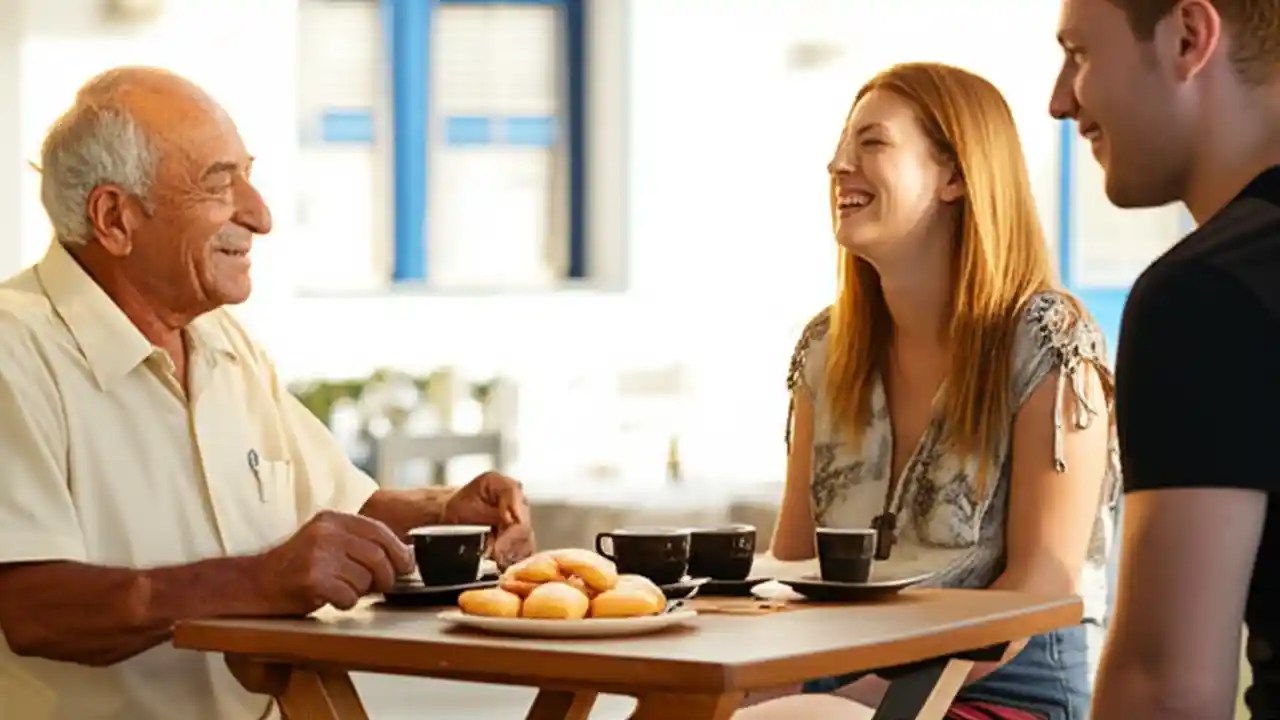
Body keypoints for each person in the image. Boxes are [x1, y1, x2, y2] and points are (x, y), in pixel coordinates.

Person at [0, 67, 536, 720]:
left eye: (247, 176)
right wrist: (256, 581)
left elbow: (349, 506)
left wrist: (448, 512)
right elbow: (30, 610)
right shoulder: (13, 349)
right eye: (219, 184)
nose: (260, 215)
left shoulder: (224, 343)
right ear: (115, 219)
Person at [736, 62, 1120, 720]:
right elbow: (794, 566)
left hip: (1003, 696)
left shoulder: (1049, 341)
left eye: (872, 143)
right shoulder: (825, 350)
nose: (837, 164)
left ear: (955, 175)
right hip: (829, 686)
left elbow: (1040, 587)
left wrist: (860, 701)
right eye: (840, 145)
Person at [1050, 1, 1280, 718]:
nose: (1060, 101)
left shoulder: (1207, 295)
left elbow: (1164, 692)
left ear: (1188, 37)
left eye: (1080, 54)